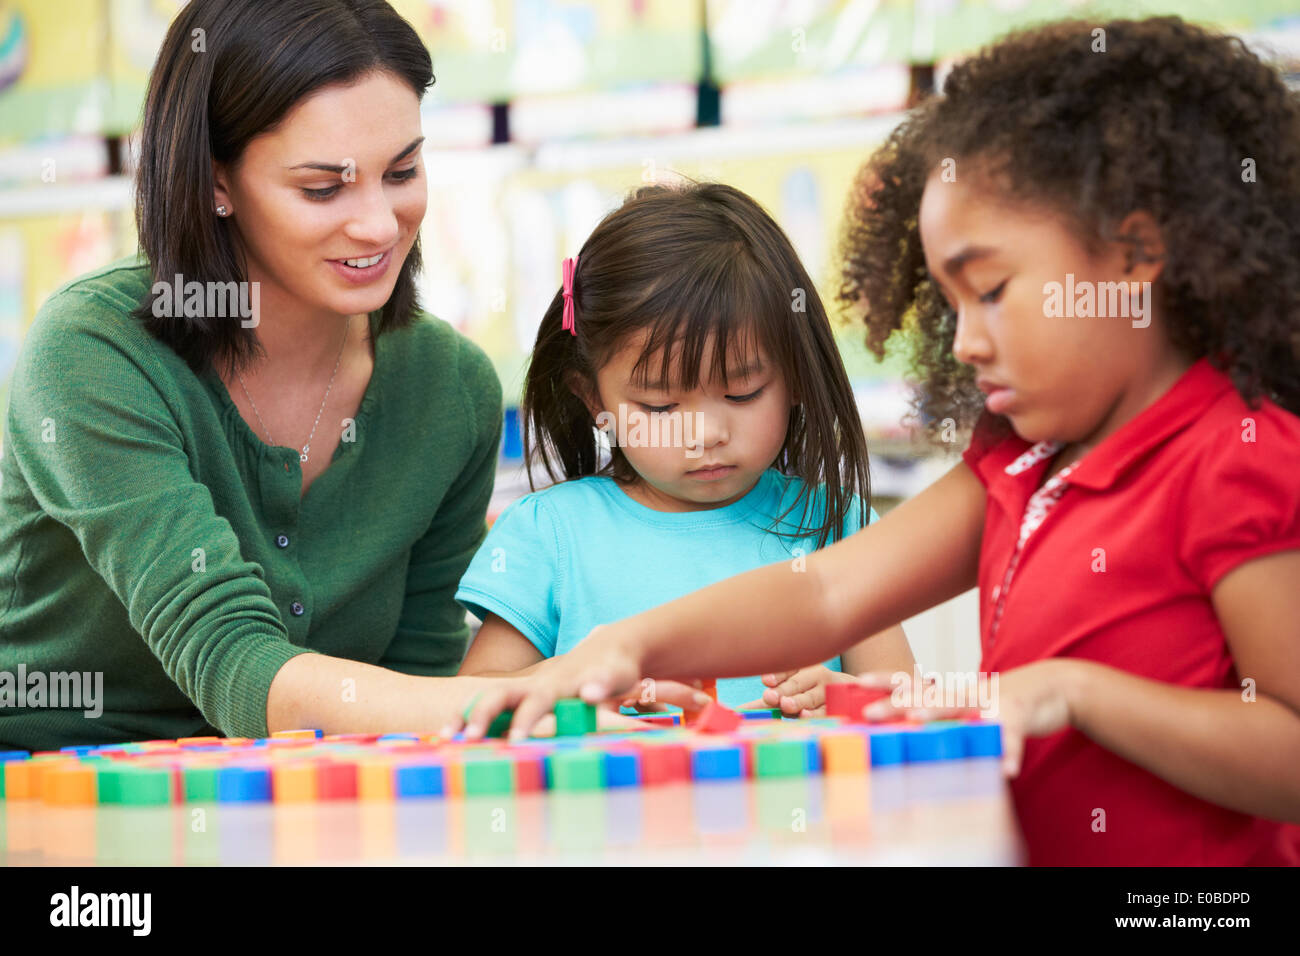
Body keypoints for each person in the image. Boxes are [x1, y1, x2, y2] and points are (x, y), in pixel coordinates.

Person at [453, 17, 1300, 866]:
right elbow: (821, 593)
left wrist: (1074, 695)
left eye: (992, 290)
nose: (963, 342)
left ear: (1135, 255)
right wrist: (622, 647)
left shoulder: (1242, 458)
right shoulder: (1017, 463)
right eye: (949, 303)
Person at [0, 0, 508, 750]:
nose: (378, 224)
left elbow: (418, 689)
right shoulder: (92, 352)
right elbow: (233, 660)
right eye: (323, 189)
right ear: (216, 183)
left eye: (401, 171)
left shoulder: (450, 389)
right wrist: (519, 697)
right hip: (51, 792)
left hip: (311, 794)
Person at [454, 182, 913, 713]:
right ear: (591, 395)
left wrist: (845, 697)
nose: (704, 433)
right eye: (659, 405)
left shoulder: (836, 527)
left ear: (795, 372)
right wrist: (576, 699)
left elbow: (905, 706)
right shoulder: (549, 536)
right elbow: (476, 703)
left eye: (743, 392)